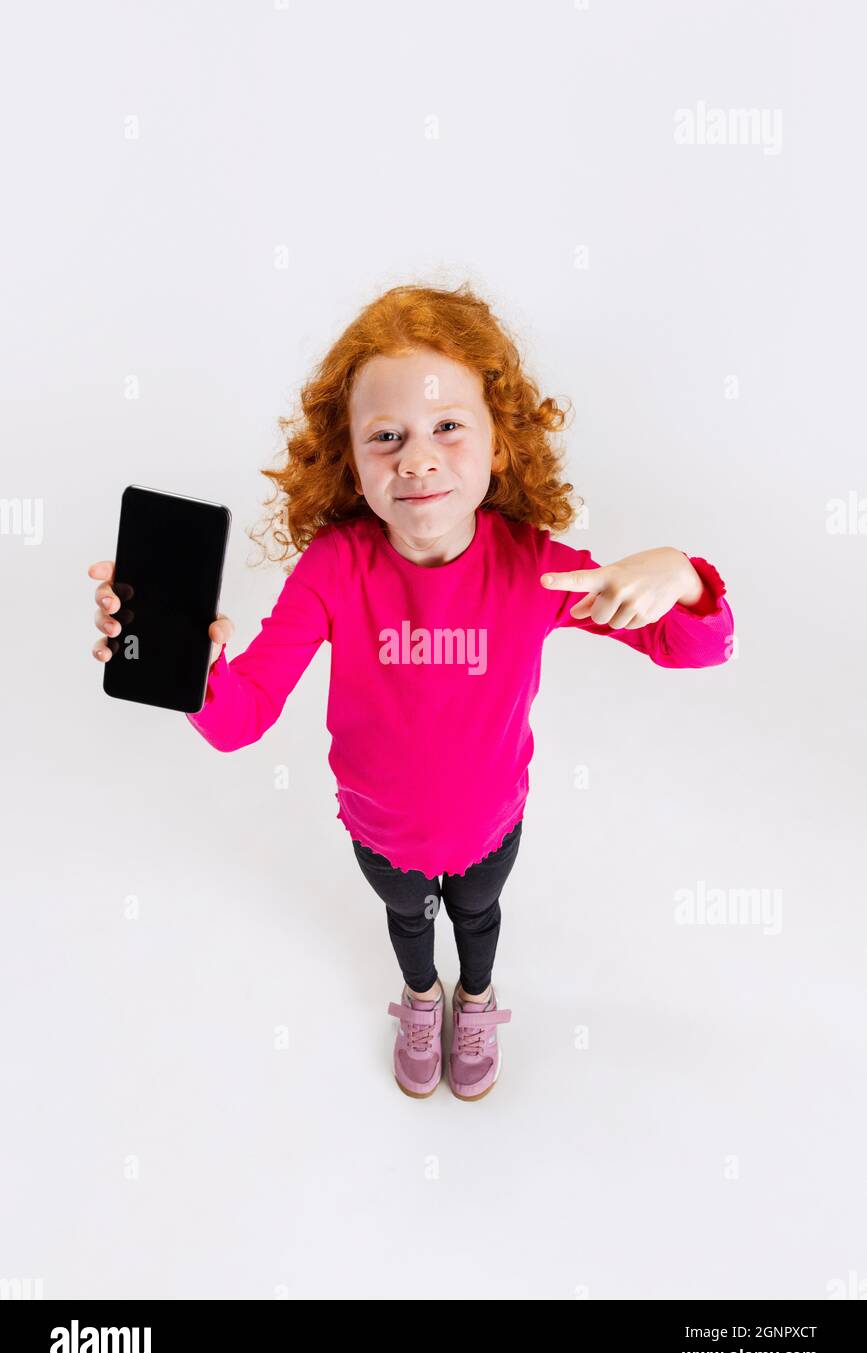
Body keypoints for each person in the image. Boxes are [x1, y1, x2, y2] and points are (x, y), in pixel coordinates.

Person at [89, 282, 734, 1103]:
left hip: (491, 826)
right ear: (350, 463)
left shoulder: (533, 566)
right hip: (378, 833)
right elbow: (239, 719)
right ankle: (422, 1001)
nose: (417, 458)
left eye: (447, 428)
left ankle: (476, 999)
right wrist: (186, 671)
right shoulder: (334, 570)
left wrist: (680, 575)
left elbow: (695, 648)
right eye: (386, 435)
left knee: (477, 917)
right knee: (407, 922)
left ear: (499, 442)